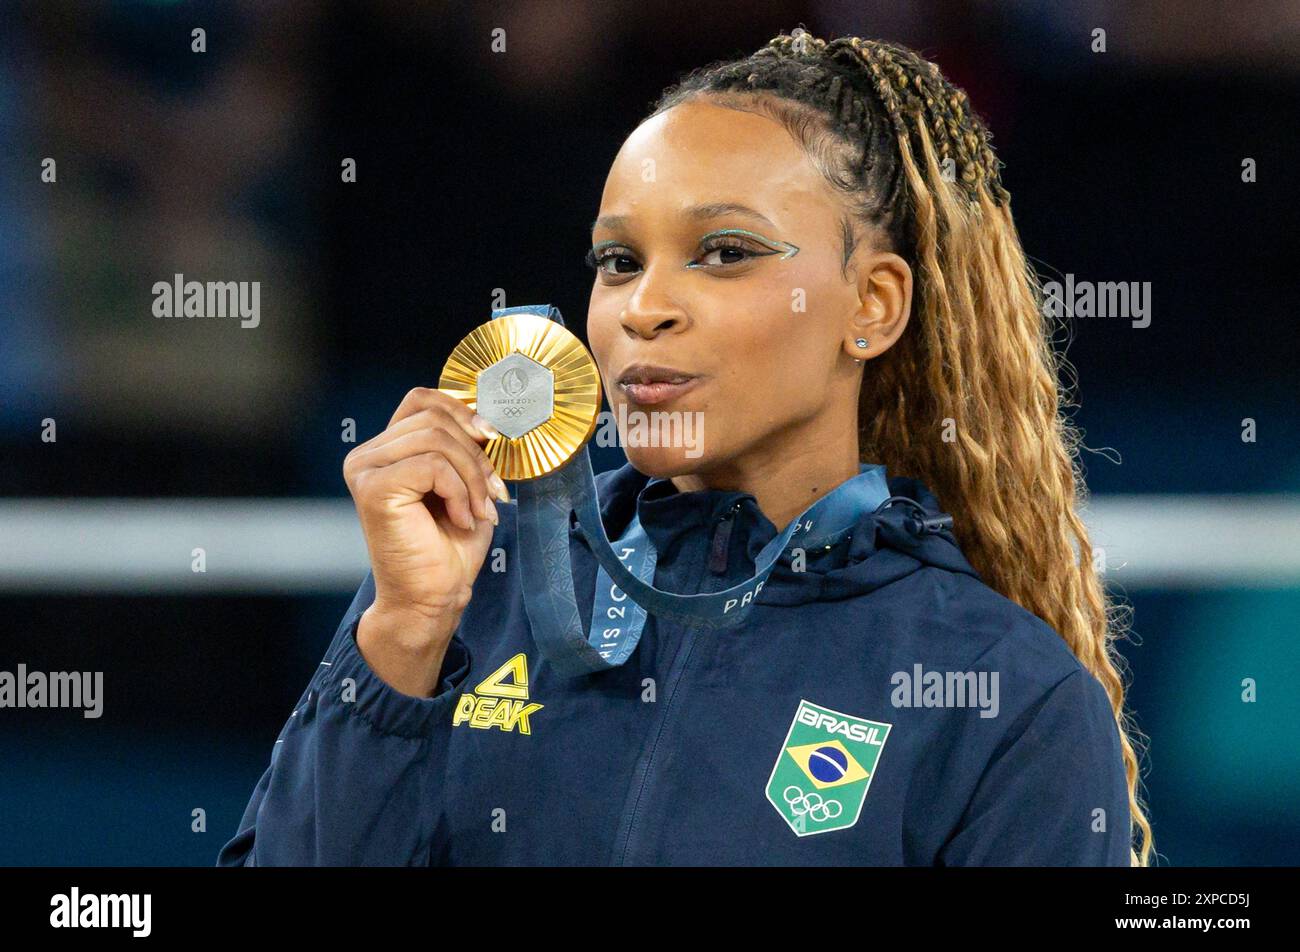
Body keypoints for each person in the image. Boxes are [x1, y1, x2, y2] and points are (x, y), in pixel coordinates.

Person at [218, 29, 1151, 866]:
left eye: (726, 252)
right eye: (619, 261)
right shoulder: (469, 588)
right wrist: (400, 641)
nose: (641, 308)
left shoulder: (1003, 695)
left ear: (871, 305)